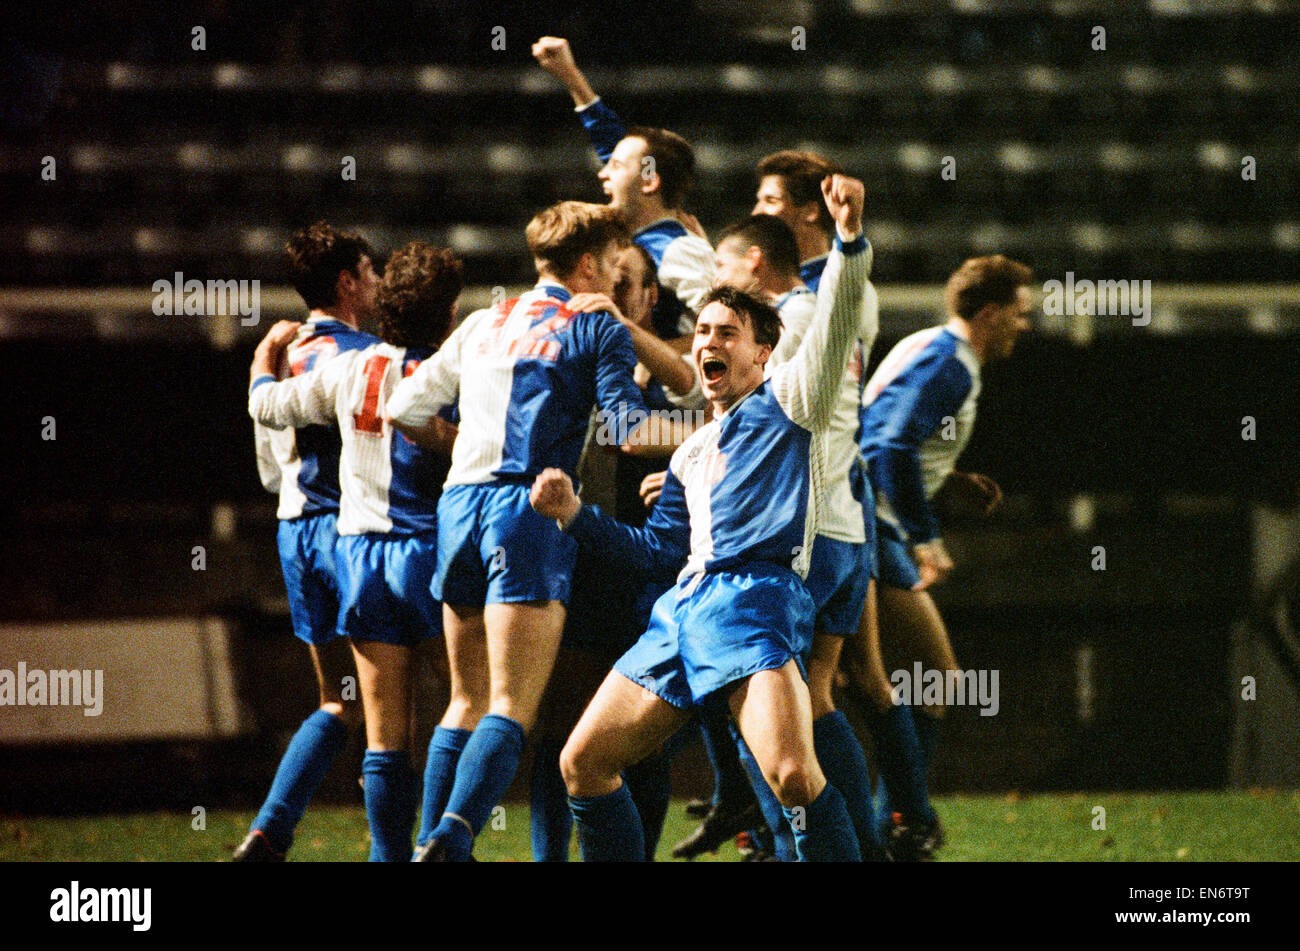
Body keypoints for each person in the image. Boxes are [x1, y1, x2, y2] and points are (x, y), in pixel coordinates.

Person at [532, 174, 873, 862]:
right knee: (583, 762)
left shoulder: (790, 402)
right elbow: (657, 553)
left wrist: (849, 241)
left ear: (761, 352)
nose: (708, 341)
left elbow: (835, 322)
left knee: (793, 776)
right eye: (704, 331)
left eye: (728, 332)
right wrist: (575, 515)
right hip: (682, 609)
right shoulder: (690, 451)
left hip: (755, 600)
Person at [385, 201, 653, 862]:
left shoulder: (484, 320)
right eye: (615, 267)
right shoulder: (593, 326)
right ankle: (453, 834)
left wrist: (460, 440)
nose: (618, 283)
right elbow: (626, 431)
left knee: (463, 699)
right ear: (587, 263)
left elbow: (402, 406)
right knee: (512, 703)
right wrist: (706, 429)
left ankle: (430, 841)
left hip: (457, 507)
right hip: (529, 511)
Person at [248, 241, 463, 860]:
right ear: (446, 316)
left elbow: (267, 405)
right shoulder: (453, 369)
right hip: (429, 553)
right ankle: (441, 846)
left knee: (383, 733)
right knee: (465, 708)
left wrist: (263, 358)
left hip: (361, 556)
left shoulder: (353, 368)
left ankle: (386, 858)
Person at [845, 254, 1033, 860]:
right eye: (1019, 315)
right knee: (934, 680)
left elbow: (882, 431)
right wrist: (928, 538)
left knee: (878, 681)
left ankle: (887, 827)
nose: (1023, 327)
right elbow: (889, 446)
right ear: (989, 313)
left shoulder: (928, 344)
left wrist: (948, 477)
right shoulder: (950, 364)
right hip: (872, 528)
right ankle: (900, 824)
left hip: (860, 522)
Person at [233, 222, 379, 862]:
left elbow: (270, 468)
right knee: (391, 704)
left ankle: (271, 829)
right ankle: (412, 847)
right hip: (352, 534)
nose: (378, 283)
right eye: (371, 272)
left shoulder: (276, 358)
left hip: (293, 531)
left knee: (337, 699)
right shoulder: (368, 354)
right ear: (347, 281)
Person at [532, 35, 715, 340]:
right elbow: (618, 149)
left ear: (649, 181)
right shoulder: (644, 238)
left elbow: (729, 331)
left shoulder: (679, 249)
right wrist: (571, 77)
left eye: (614, 167)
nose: (603, 174)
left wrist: (650, 360)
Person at [753, 150, 844, 292]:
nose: (756, 213)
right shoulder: (768, 283)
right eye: (759, 201)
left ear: (811, 212)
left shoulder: (836, 288)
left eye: (771, 201)